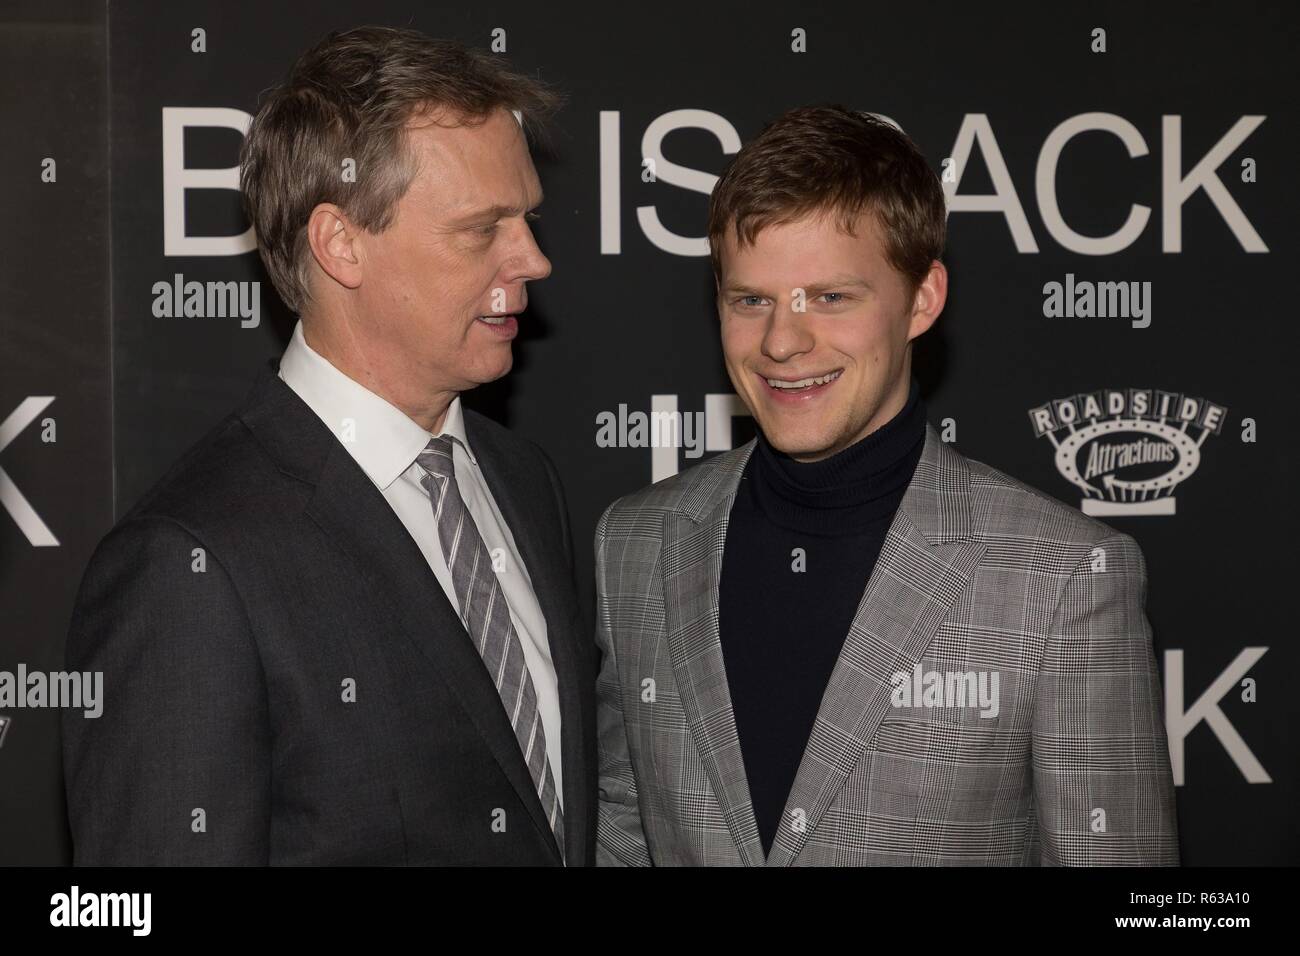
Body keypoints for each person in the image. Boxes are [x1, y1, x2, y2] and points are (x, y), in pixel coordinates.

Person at [63, 26, 594, 865]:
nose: (532, 258)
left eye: (526, 218)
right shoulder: (189, 565)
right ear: (341, 243)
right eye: (481, 228)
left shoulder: (525, 483)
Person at [594, 105, 1178, 866]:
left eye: (831, 297)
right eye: (751, 299)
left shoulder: (1063, 576)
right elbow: (623, 834)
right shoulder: (635, 544)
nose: (781, 341)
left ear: (923, 300)